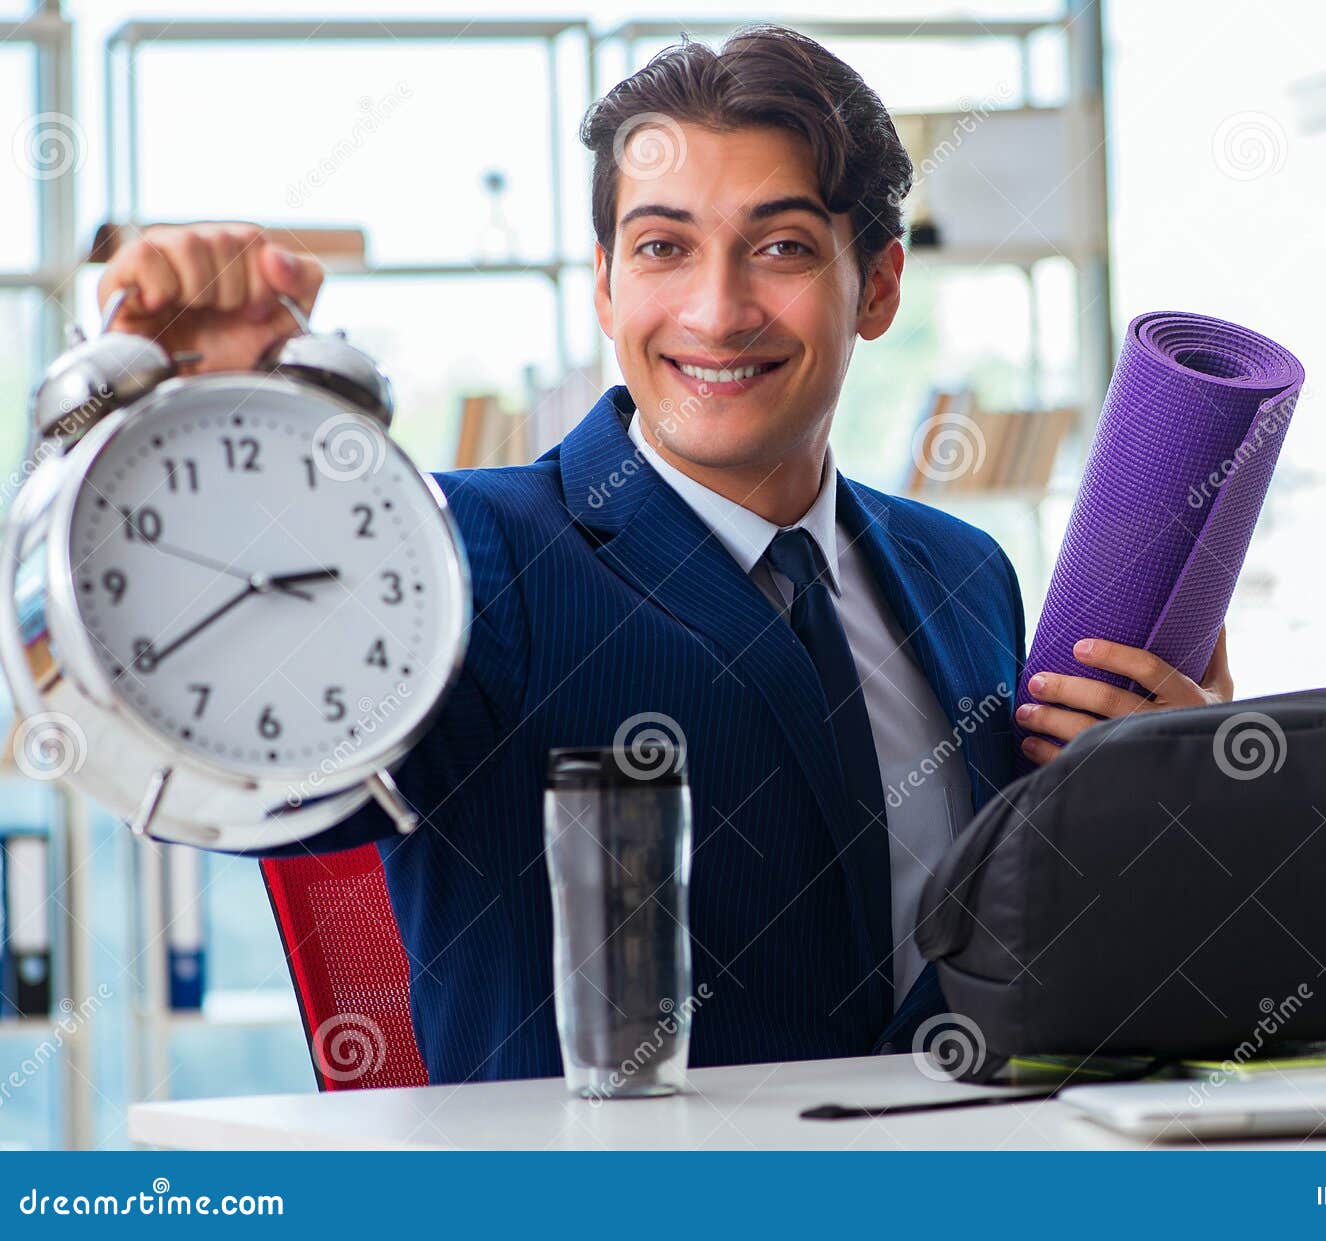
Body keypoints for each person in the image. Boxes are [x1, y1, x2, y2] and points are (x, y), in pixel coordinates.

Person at [97, 25, 1233, 1084]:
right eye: (662, 248)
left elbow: (1007, 948)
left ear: (876, 285)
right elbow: (232, 761)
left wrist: (1149, 797)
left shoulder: (963, 569)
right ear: (604, 284)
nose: (717, 308)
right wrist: (184, 444)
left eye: (779, 247)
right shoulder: (464, 553)